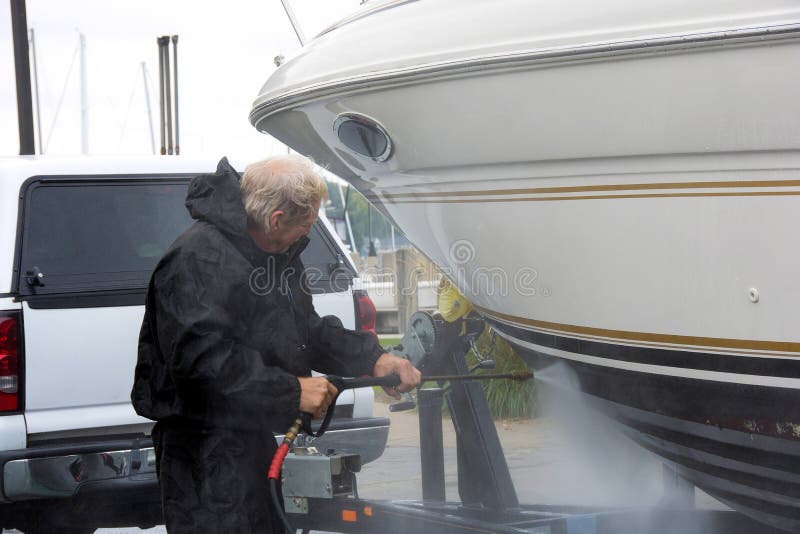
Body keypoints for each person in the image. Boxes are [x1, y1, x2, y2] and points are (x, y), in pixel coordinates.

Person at [131, 155, 420, 533]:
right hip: (202, 452)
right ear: (276, 219)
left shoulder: (274, 255)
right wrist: (291, 391)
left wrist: (375, 358)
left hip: (249, 434)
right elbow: (201, 363)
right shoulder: (197, 259)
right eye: (307, 224)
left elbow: (307, 331)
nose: (308, 233)